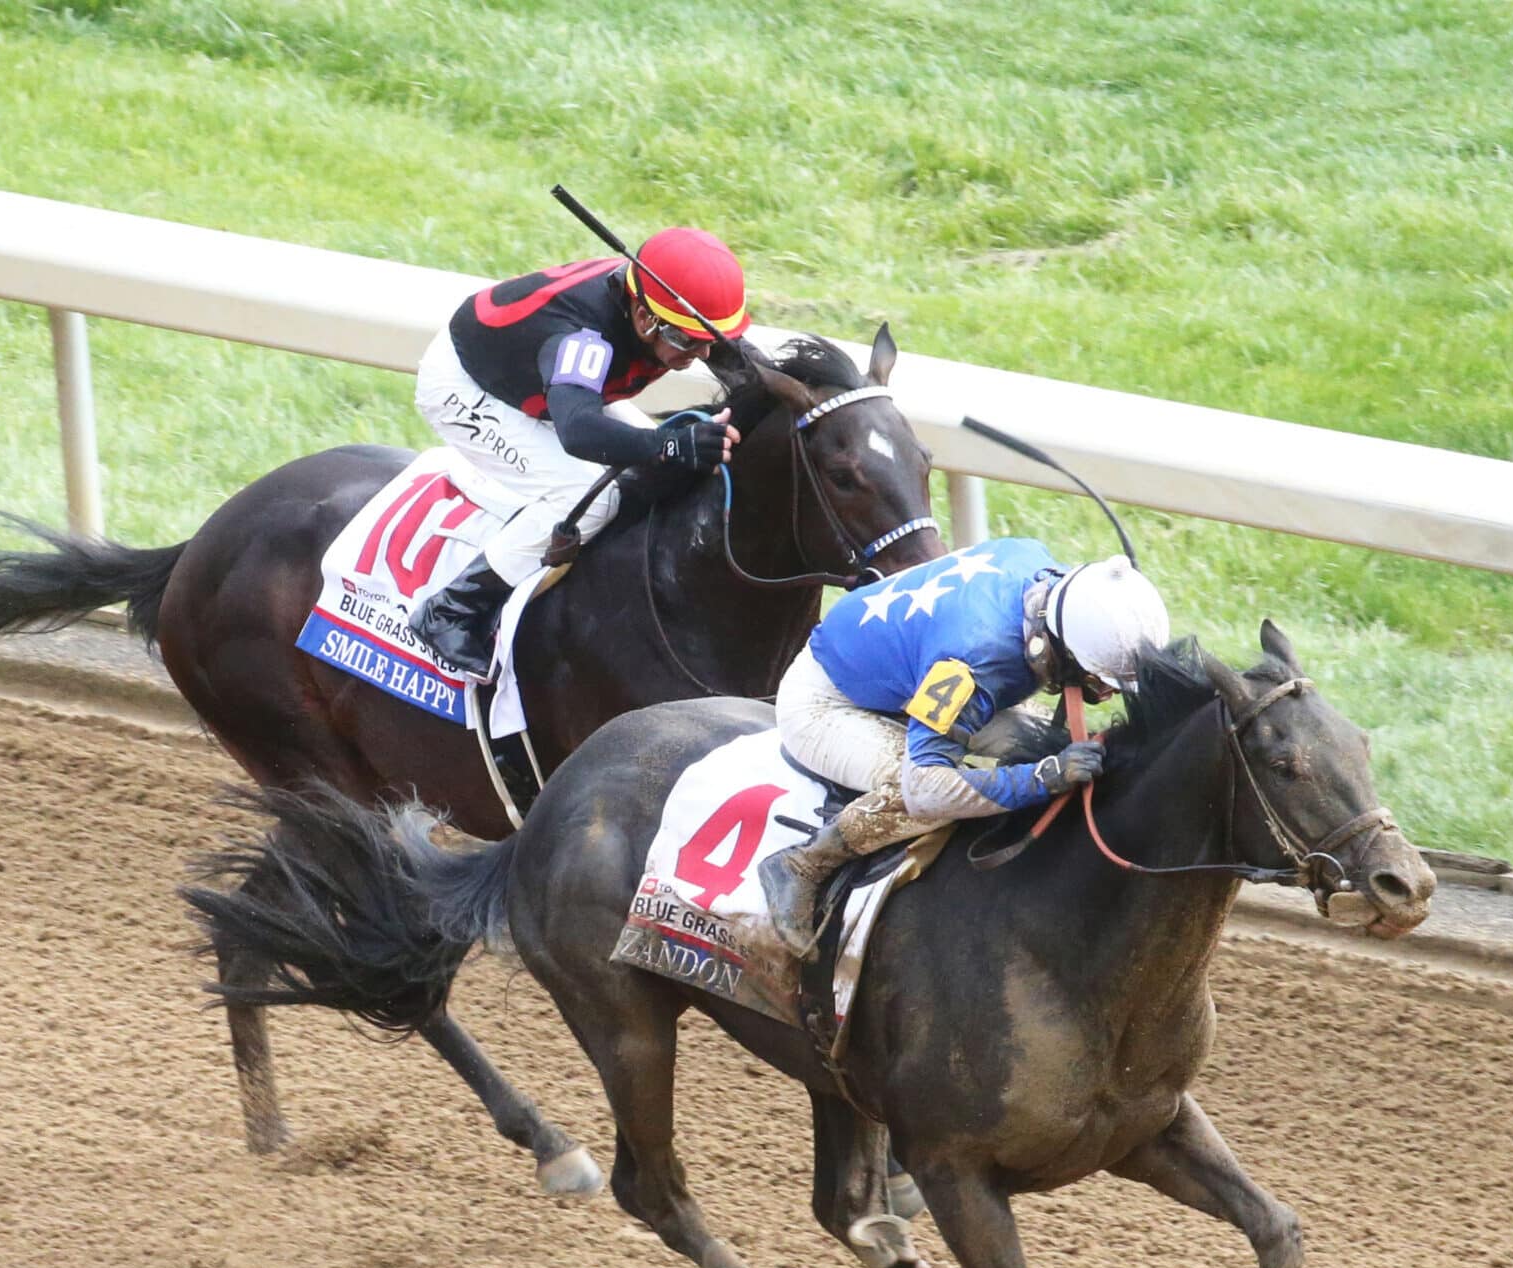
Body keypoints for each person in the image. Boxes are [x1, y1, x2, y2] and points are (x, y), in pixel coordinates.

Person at [759, 537, 1171, 955]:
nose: (1106, 693)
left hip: (908, 673)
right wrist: (1041, 778)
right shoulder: (971, 664)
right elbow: (927, 789)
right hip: (827, 702)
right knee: (926, 794)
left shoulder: (1046, 573)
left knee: (1050, 739)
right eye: (1099, 680)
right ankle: (803, 865)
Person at [407, 227, 753, 679]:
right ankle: (452, 610)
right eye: (690, 342)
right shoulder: (584, 340)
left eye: (712, 338)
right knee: (587, 494)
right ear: (646, 320)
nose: (704, 352)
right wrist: (671, 446)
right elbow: (579, 431)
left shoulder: (652, 307)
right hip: (469, 386)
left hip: (549, 384)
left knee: (664, 459)